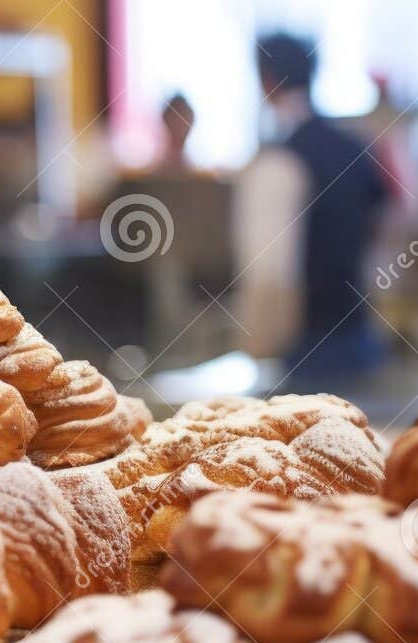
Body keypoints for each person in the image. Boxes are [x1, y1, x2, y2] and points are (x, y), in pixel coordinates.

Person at [234, 33, 388, 384]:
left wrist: (255, 344)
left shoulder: (279, 160)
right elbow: (384, 221)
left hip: (303, 348)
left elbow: (267, 270)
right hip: (359, 333)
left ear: (266, 80)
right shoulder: (354, 146)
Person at [157, 92, 196, 175]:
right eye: (174, 117)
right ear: (166, 119)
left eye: (184, 117)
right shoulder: (154, 169)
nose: (179, 124)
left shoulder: (199, 169)